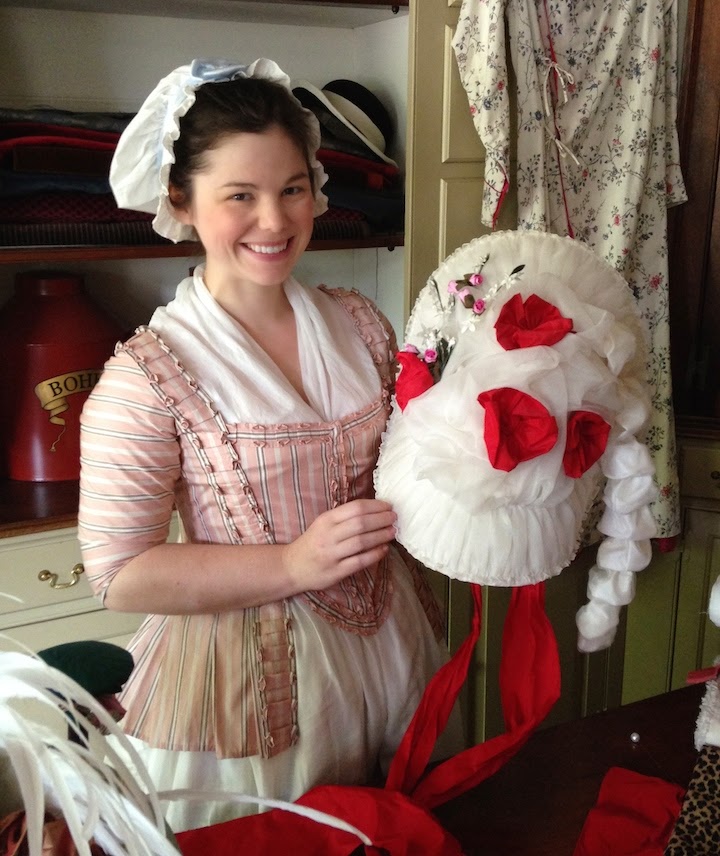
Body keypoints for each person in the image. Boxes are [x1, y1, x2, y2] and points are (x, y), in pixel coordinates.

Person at [77, 58, 460, 834]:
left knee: (401, 826)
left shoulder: (360, 325)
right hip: (246, 679)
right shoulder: (146, 378)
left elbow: (406, 462)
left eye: (291, 188)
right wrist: (291, 564)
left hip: (392, 638)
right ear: (181, 200)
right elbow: (120, 573)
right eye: (240, 197)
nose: (276, 221)